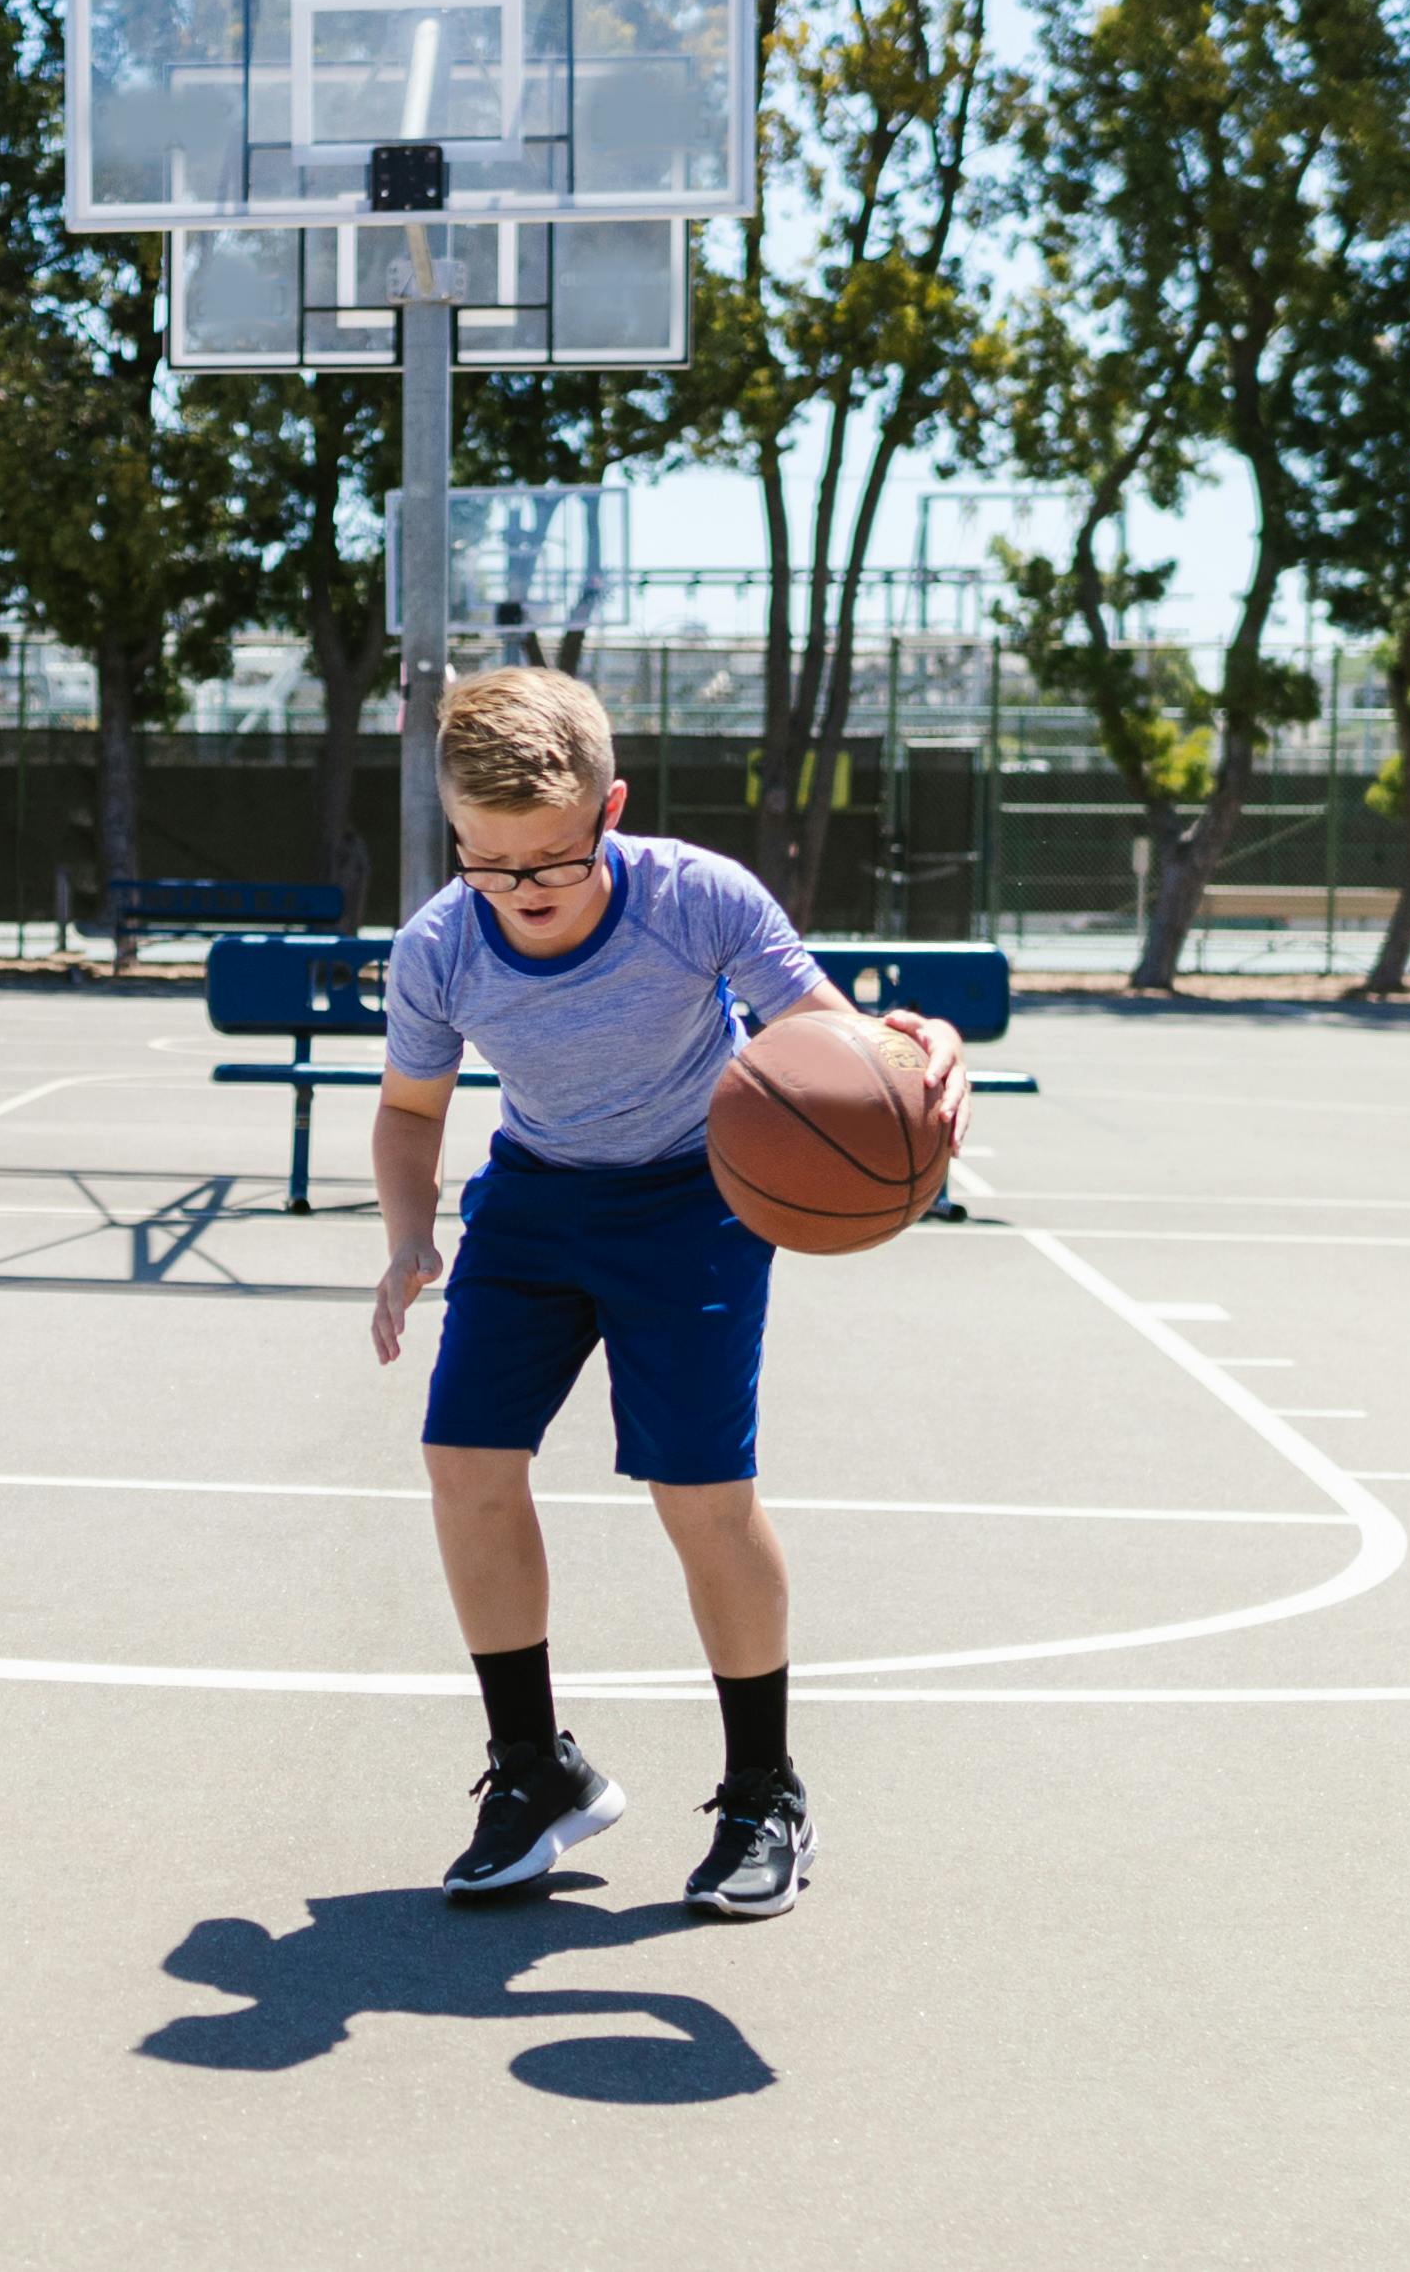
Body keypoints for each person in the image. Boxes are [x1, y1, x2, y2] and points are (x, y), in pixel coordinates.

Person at [370, 667, 971, 1918]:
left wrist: (917, 1049)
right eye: (490, 861)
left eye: (551, 858)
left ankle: (765, 1792)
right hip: (535, 1196)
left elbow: (820, 1037)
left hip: (695, 1199)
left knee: (702, 1495)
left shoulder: (696, 896)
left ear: (611, 809)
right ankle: (534, 1772)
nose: (523, 890)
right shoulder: (437, 944)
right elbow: (411, 1108)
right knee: (464, 1462)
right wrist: (409, 1234)